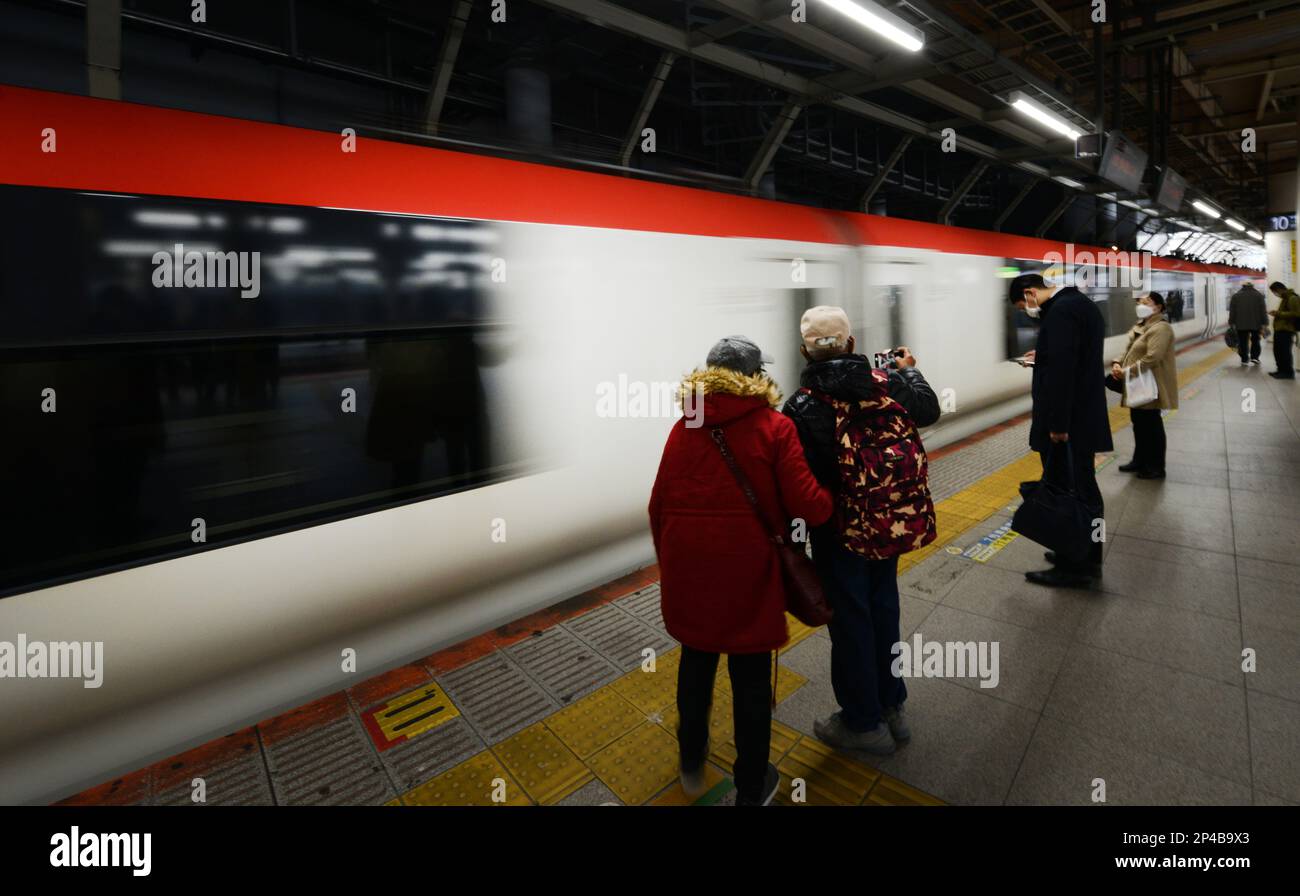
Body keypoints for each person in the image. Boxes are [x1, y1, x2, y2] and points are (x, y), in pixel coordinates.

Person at [648, 336, 832, 806]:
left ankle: (692, 761)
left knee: (696, 663)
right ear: (754, 377)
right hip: (748, 573)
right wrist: (832, 505)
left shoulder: (683, 427)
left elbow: (657, 506)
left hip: (690, 572)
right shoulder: (774, 427)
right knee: (750, 677)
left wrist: (673, 564)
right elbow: (808, 503)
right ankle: (752, 786)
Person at [781, 307, 940, 755]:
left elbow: (798, 483)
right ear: (852, 344)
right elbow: (929, 411)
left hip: (839, 534)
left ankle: (863, 723)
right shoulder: (885, 382)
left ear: (804, 352)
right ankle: (892, 707)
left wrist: (798, 536)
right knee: (884, 608)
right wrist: (910, 371)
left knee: (851, 621)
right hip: (888, 521)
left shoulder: (800, 406)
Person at [1008, 273, 1113, 588]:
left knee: (1071, 492)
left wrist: (1058, 426)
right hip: (1083, 415)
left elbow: (1063, 373)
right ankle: (1083, 554)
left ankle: (1076, 567)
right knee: (1082, 490)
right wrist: (1044, 357)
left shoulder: (1061, 312)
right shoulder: (1080, 304)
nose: (1028, 310)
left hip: (1071, 422)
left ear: (1030, 293)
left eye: (1023, 305)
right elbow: (1072, 358)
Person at [1109, 292, 1177, 479]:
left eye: (1146, 302)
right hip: (1137, 383)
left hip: (1151, 383)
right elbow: (1129, 350)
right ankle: (1139, 460)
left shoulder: (1161, 328)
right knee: (1139, 424)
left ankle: (1156, 467)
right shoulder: (1140, 326)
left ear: (1159, 307)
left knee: (1151, 426)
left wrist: (1126, 371)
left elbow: (1153, 357)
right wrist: (1117, 363)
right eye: (1139, 301)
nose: (1140, 305)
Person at [1228, 282, 1269, 367]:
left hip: (1241, 324)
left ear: (1243, 287)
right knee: (1256, 340)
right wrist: (1265, 322)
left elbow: (1232, 312)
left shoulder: (1236, 296)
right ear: (1252, 286)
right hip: (1256, 323)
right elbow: (1263, 311)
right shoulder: (1259, 295)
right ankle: (1255, 357)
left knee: (1243, 341)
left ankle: (1244, 359)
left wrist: (1231, 322)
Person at [1267, 282, 1299, 380]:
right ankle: (1280, 370)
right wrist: (1278, 313)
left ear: (1279, 289)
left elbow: (1296, 313)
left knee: (1284, 352)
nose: (1275, 294)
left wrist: (1278, 313)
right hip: (1280, 329)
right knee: (1278, 351)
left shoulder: (1292, 298)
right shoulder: (1285, 298)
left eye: (1275, 291)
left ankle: (1288, 373)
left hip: (1286, 330)